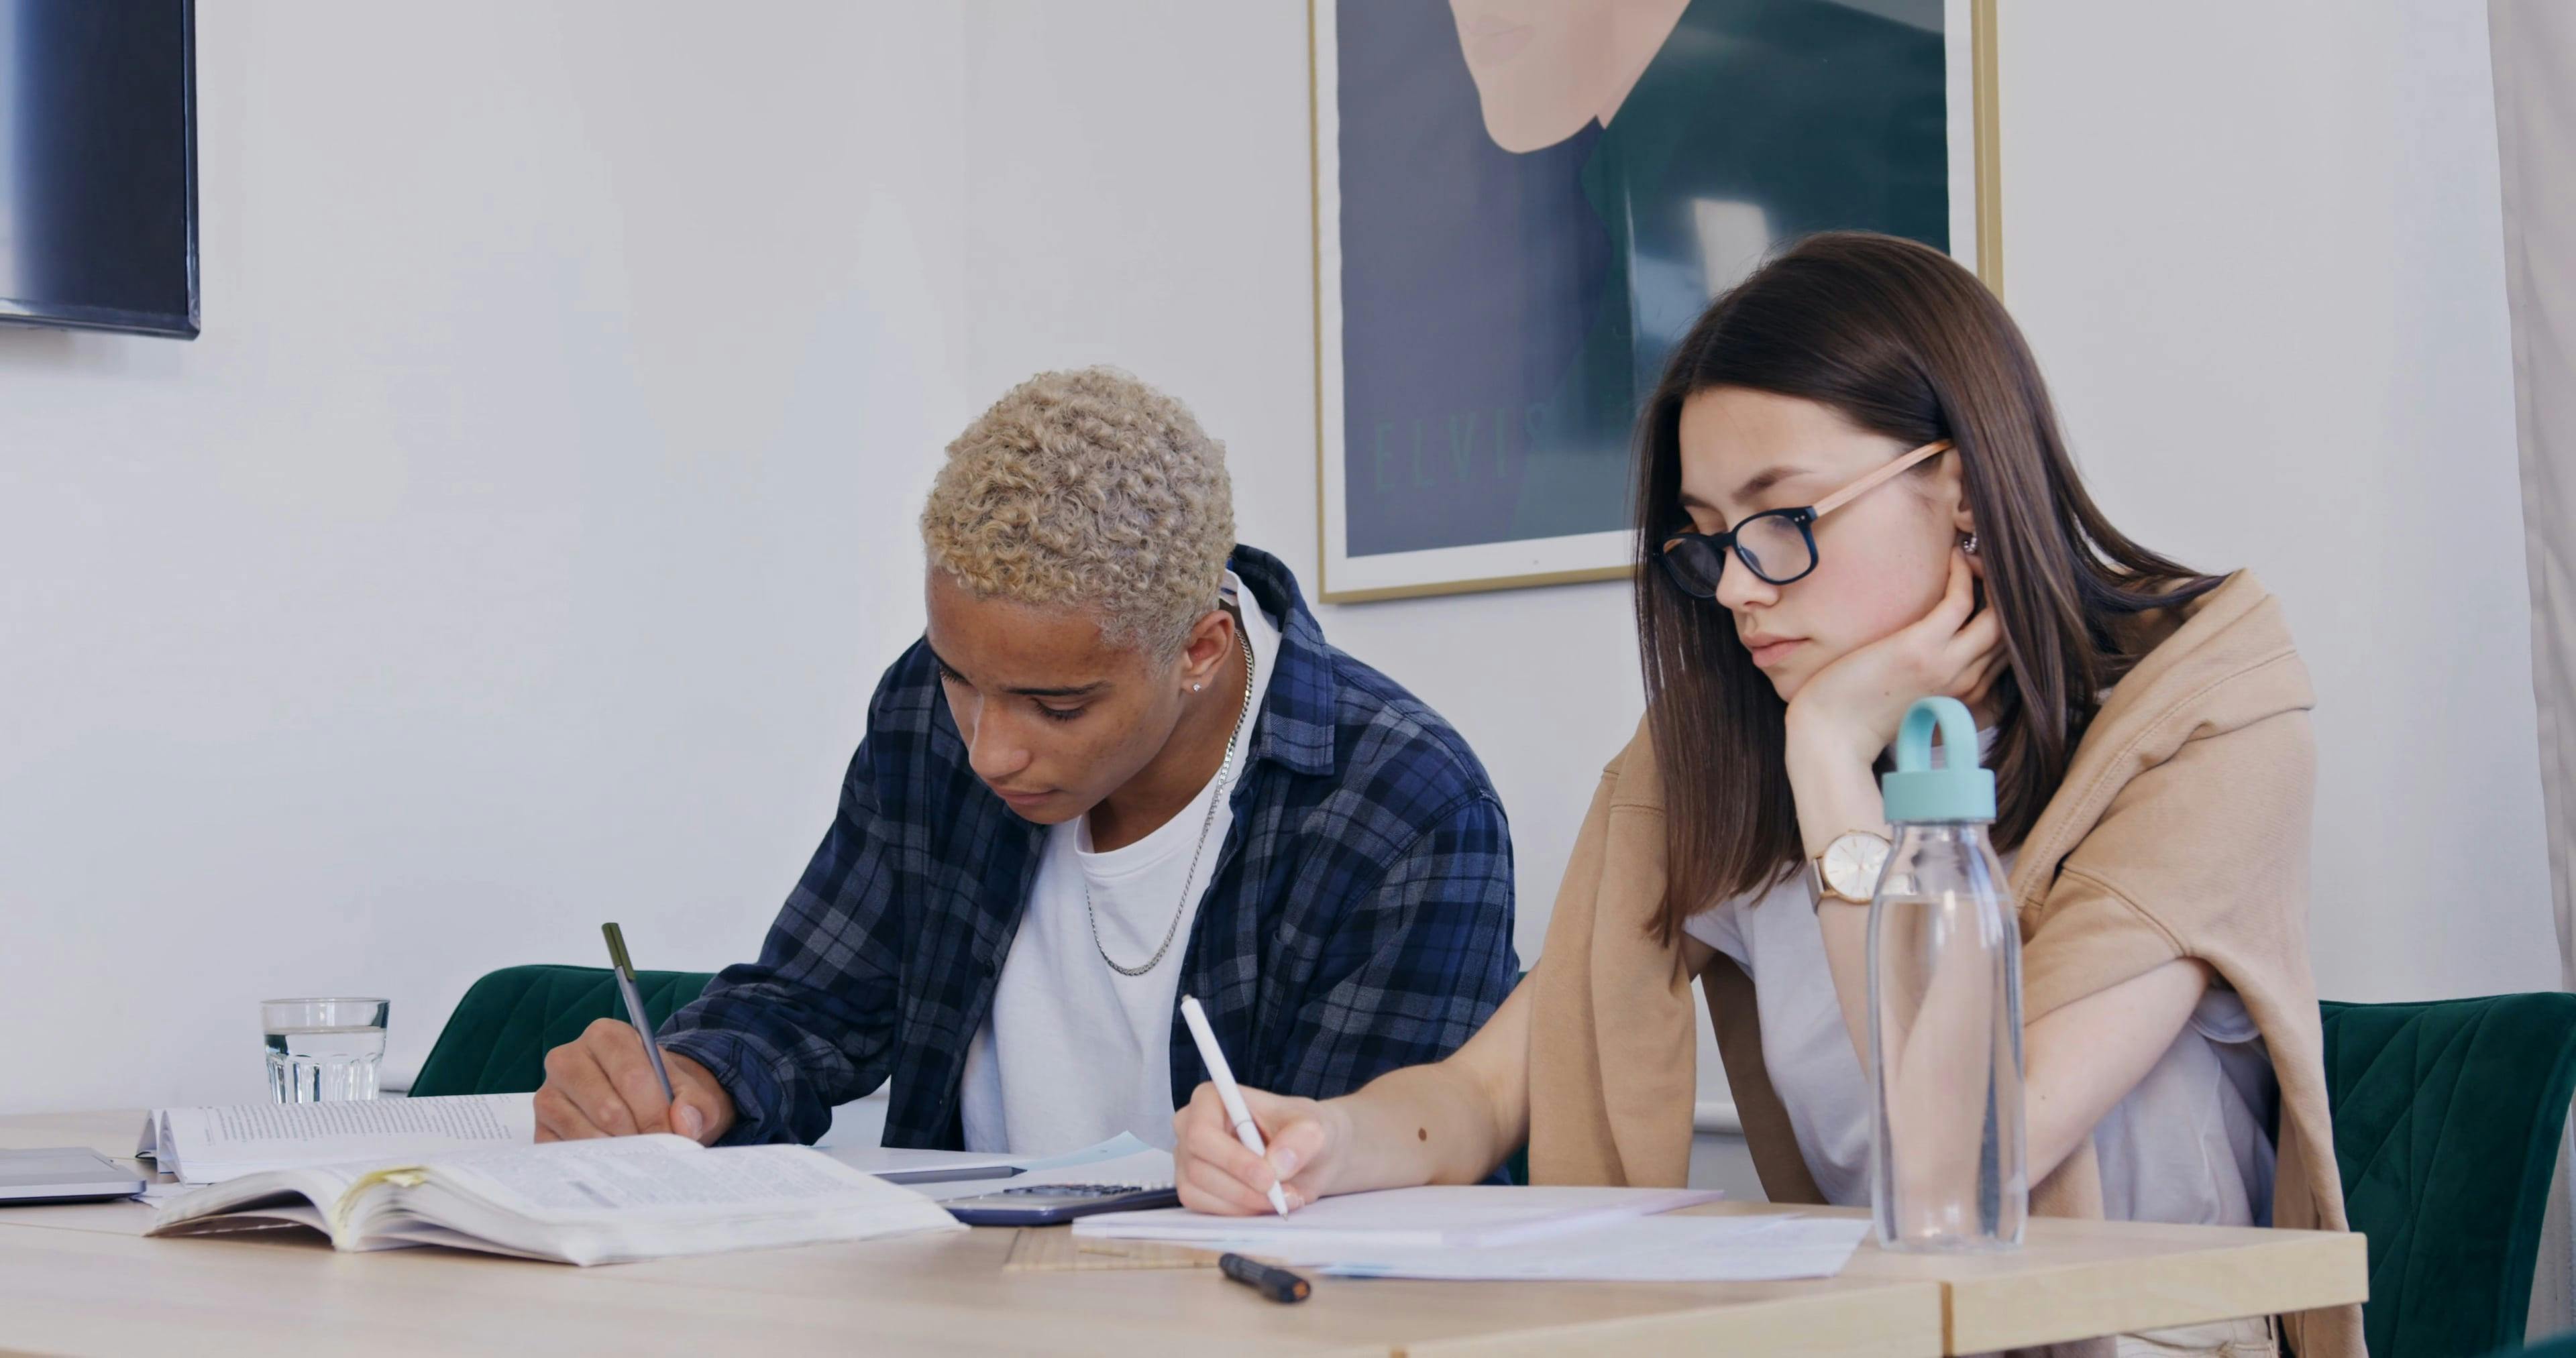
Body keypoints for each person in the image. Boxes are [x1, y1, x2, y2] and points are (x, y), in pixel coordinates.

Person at [1171, 235, 2361, 1357]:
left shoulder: (2203, 714)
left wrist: (1838, 759)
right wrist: (1324, 1138)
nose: (1737, 587)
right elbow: (1488, 1089)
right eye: (1708, 537)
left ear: (1959, 488)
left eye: (1784, 520)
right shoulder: (1723, 741)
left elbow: (1972, 1153)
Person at [534, 367, 1519, 1155]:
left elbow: (1353, 1201)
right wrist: (696, 1084)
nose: (988, 746)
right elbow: (815, 1000)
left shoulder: (1407, 811)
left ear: (1200, 651)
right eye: (961, 675)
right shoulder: (927, 709)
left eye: (1057, 705)